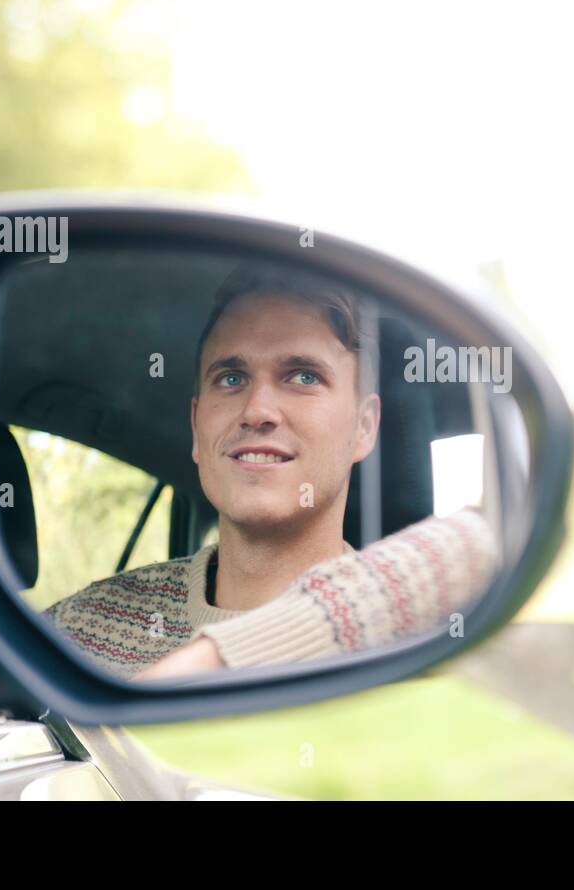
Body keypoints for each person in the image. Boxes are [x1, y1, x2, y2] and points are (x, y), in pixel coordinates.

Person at [45, 269, 496, 679]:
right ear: (197, 430)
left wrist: (219, 658)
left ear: (364, 428)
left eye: (302, 377)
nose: (257, 410)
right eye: (231, 378)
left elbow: (484, 540)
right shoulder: (86, 625)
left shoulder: (409, 626)